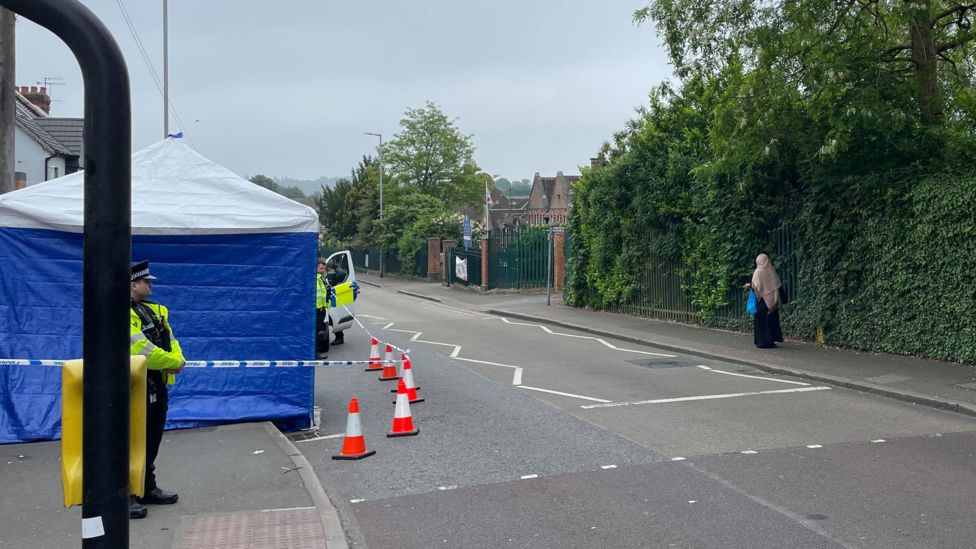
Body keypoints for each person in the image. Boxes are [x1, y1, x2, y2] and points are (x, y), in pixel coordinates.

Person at [129, 260, 185, 519]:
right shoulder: (119, 312)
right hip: (132, 384)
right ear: (133, 284)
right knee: (130, 440)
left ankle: (146, 487)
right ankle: (125, 494)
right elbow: (140, 349)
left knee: (151, 438)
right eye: (146, 281)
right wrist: (172, 362)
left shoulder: (153, 311)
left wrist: (177, 360)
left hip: (155, 382)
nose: (150, 285)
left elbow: (170, 339)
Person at [747, 253, 785, 349]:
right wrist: (784, 299)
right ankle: (771, 341)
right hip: (773, 302)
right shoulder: (772, 271)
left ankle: (762, 342)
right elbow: (779, 286)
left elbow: (756, 287)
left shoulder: (758, 272)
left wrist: (750, 287)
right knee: (771, 321)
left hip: (762, 301)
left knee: (761, 322)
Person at [326, 259, 347, 345]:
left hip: (336, 297)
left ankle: (339, 337)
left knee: (333, 319)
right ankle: (339, 337)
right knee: (333, 319)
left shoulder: (338, 273)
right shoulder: (340, 271)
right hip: (335, 297)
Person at [316, 258, 330, 358]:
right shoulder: (314, 279)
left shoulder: (321, 279)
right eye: (321, 268)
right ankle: (315, 353)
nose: (323, 270)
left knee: (318, 332)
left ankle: (316, 352)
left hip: (321, 310)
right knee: (315, 333)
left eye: (324, 268)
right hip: (315, 310)